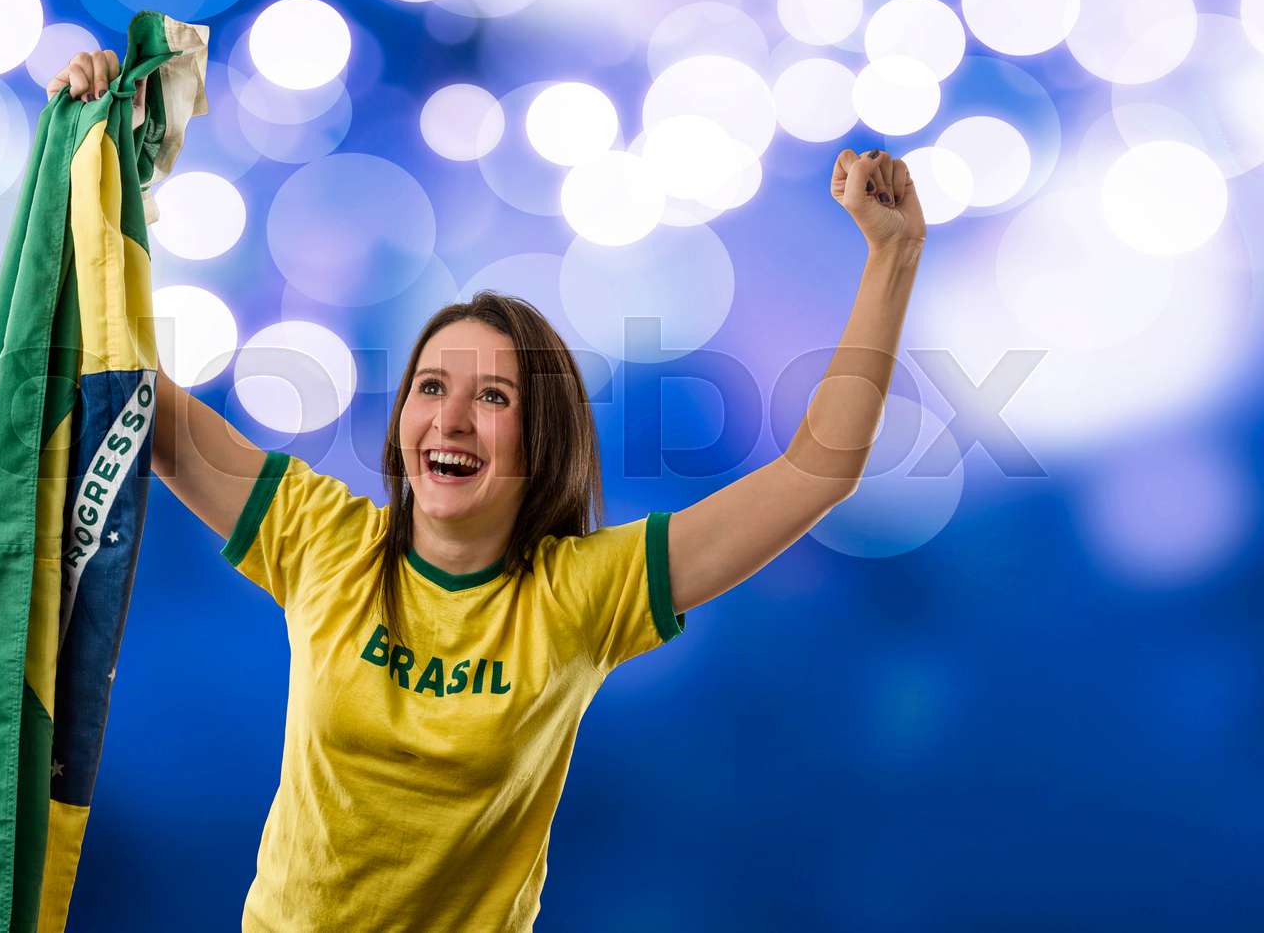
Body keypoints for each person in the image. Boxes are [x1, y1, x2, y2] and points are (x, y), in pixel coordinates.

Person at [49, 49, 926, 931]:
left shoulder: (584, 595)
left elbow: (820, 468)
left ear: (542, 442)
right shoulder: (321, 540)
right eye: (431, 387)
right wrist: (96, 158)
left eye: (494, 398)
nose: (452, 420)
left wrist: (893, 254)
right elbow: (129, 393)